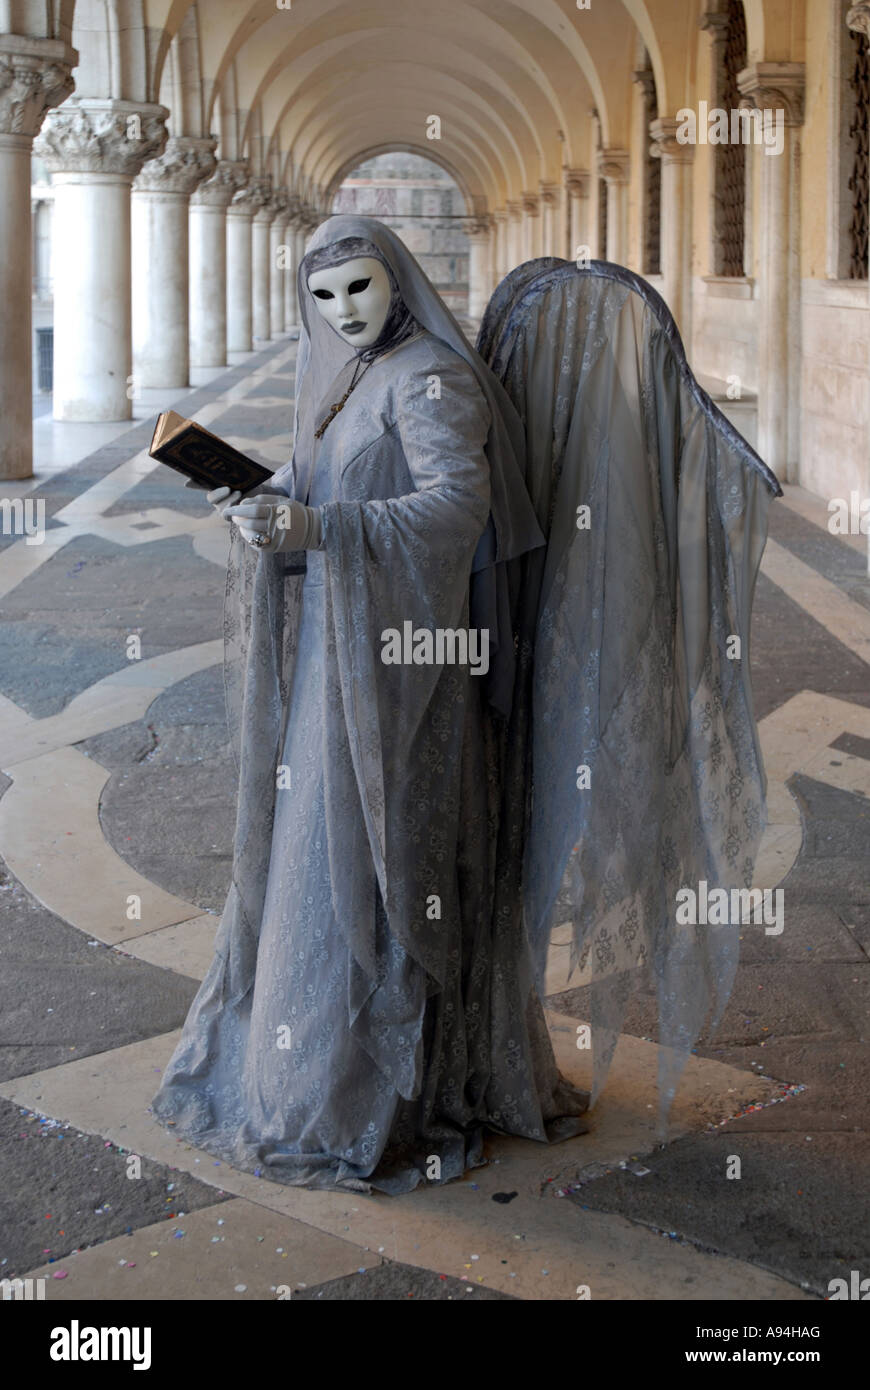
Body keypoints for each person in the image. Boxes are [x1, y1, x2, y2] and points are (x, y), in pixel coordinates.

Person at [151, 216, 591, 1193]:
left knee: (383, 859)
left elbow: (454, 506)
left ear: (396, 279)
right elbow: (326, 487)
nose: (344, 309)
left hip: (409, 673)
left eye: (359, 286)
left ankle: (389, 1091)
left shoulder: (432, 376)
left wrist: (321, 523)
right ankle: (326, 1070)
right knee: (322, 855)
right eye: (324, 295)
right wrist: (261, 497)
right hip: (345, 664)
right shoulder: (355, 375)